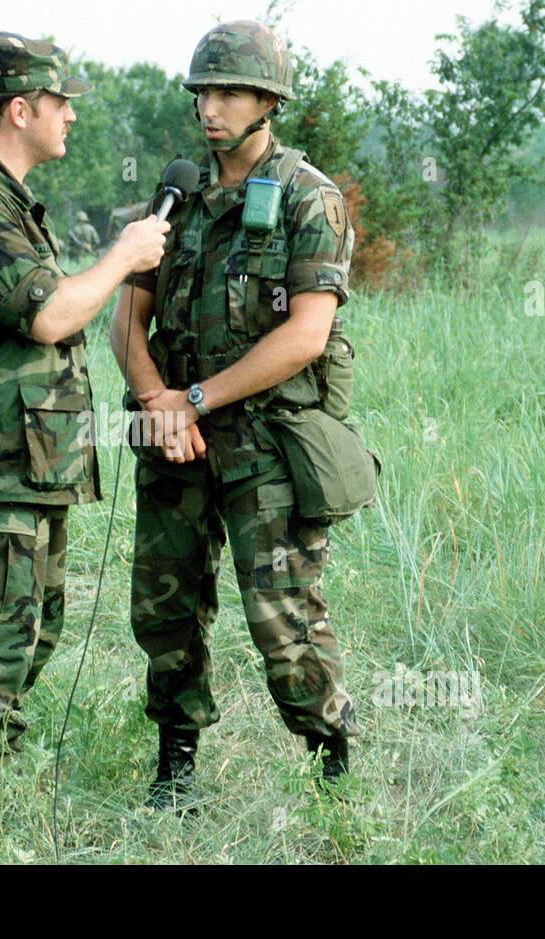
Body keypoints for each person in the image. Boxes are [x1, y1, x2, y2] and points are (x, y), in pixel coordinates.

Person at [0, 31, 169, 827]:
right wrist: (125, 255)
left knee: (29, 633)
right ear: (20, 109)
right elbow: (54, 314)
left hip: (28, 464)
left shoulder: (7, 201)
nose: (71, 118)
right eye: (61, 103)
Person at [109, 20, 363, 812]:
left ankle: (332, 760)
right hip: (176, 442)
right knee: (165, 608)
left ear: (267, 102)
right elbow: (127, 317)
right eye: (202, 94)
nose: (209, 109)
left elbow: (306, 334)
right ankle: (174, 768)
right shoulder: (176, 195)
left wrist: (195, 399)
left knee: (282, 620)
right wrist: (158, 399)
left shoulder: (307, 196)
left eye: (227, 93)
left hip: (267, 443)